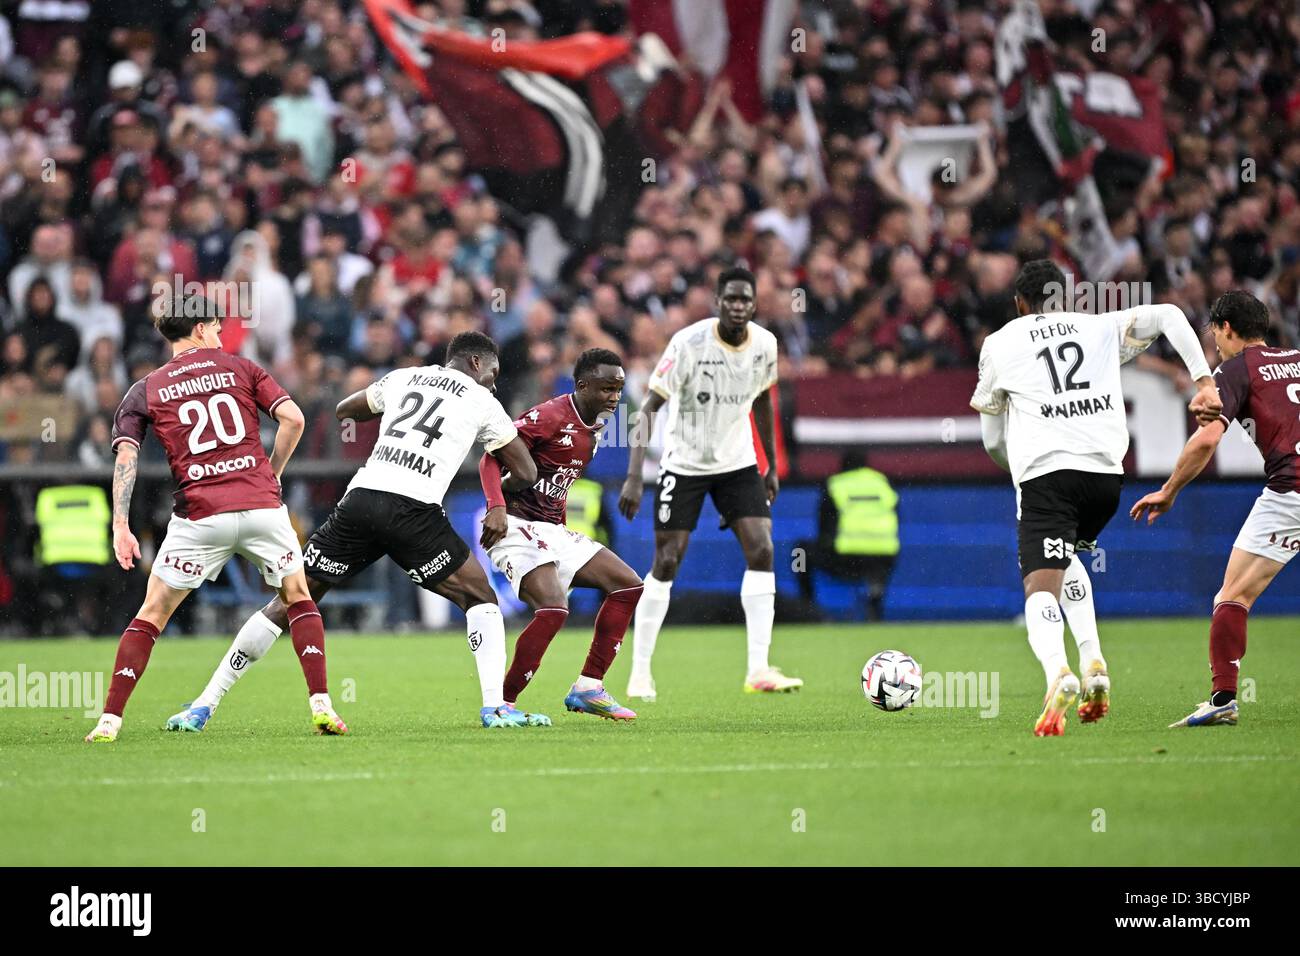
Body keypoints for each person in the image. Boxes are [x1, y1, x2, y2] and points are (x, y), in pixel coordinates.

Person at [166, 331, 546, 732]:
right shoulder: (482, 400)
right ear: (474, 363)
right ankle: (495, 708)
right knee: (480, 597)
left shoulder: (405, 377)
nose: (494, 381)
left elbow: (346, 409)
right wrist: (498, 496)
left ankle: (203, 705)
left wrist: (385, 410)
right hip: (414, 508)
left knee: (290, 600)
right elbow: (526, 471)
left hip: (362, 499)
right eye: (493, 372)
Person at [971, 259, 1219, 736]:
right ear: (1063, 298)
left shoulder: (1000, 343)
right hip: (1105, 478)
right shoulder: (1100, 326)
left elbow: (993, 440)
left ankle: (1056, 676)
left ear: (1020, 303)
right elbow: (1169, 314)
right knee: (1067, 558)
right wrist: (1204, 380)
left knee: (1039, 586)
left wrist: (1018, 471)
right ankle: (1093, 661)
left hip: (1046, 476)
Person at [85, 305, 336, 742]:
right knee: (298, 597)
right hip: (261, 507)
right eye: (218, 329)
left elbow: (126, 456)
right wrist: (271, 474)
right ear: (200, 330)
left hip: (201, 516)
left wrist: (120, 526)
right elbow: (293, 418)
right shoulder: (241, 367)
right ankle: (321, 703)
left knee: (152, 615)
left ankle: (110, 720)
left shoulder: (146, 389)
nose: (221, 337)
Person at [619, 266, 801, 701]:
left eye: (745, 299)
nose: (738, 306)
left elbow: (761, 402)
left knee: (762, 549)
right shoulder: (688, 344)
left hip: (737, 463)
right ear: (718, 302)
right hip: (684, 463)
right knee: (667, 560)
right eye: (730, 299)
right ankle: (640, 672)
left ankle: (758, 668)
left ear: (754, 304)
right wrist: (634, 476)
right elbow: (648, 408)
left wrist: (770, 464)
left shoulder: (765, 345)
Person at [1131, 291, 1288, 728]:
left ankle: (1223, 700)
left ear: (1228, 330)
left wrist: (1169, 490)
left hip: (1291, 492)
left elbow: (1206, 440)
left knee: (1231, 596)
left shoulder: (1236, 370)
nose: (1215, 344)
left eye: (1216, 333)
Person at [479, 348, 644, 720]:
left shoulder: (593, 430)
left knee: (628, 585)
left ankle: (589, 687)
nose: (614, 397)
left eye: (618, 389)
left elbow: (556, 486)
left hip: (551, 529)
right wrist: (496, 507)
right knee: (554, 608)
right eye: (605, 389)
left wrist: (559, 529)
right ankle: (504, 704)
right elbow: (491, 456)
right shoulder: (549, 416)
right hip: (515, 525)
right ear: (583, 385)